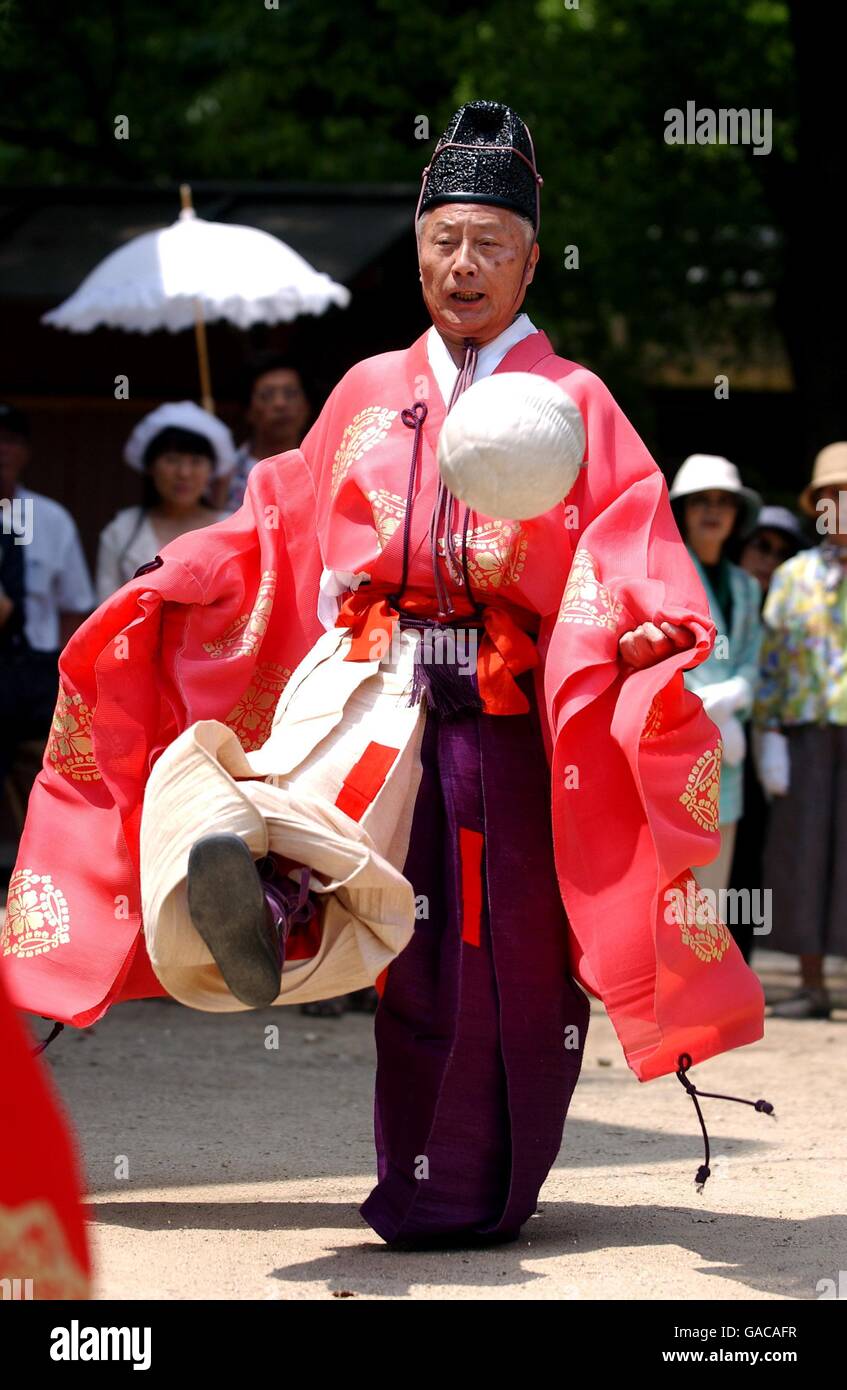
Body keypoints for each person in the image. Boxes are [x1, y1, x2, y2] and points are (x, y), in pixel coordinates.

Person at [2, 102, 764, 1247]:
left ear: (529, 257)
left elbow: (631, 545)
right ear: (417, 245)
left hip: (500, 717)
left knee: (492, 958)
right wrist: (187, 565)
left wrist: (650, 629)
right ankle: (263, 906)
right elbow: (285, 524)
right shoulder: (364, 390)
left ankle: (470, 1186)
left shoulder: (579, 404)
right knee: (325, 865)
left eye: (489, 244)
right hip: (372, 678)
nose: (463, 265)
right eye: (443, 239)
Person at [754, 442, 847, 1019]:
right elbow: (770, 659)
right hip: (806, 732)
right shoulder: (792, 577)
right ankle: (811, 982)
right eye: (832, 497)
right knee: (804, 851)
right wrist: (766, 735)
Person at [669, 455, 763, 896]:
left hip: (729, 757)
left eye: (723, 502)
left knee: (714, 896)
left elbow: (751, 657)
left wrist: (736, 695)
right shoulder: (664, 571)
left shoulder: (745, 584)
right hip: (676, 745)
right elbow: (657, 658)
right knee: (672, 887)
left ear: (737, 514)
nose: (712, 511)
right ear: (683, 511)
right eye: (701, 501)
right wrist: (704, 705)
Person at [0, 403, 95, 791]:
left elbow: (74, 608)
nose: (1, 449)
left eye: (10, 441)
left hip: (36, 674)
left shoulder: (51, 518)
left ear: (25, 451)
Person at [729, 504, 808, 957]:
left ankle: (742, 961)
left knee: (757, 852)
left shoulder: (794, 614)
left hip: (774, 749)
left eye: (782, 552)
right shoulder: (717, 596)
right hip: (716, 744)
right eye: (761, 546)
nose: (769, 560)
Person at [96, 402, 234, 603]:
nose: (184, 473)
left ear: (211, 470)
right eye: (172, 460)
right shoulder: (121, 531)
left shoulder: (230, 529)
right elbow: (105, 608)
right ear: (151, 467)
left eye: (196, 462)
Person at [213, 356, 312, 513]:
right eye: (266, 395)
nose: (280, 404)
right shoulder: (225, 475)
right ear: (248, 411)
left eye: (290, 394)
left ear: (307, 407)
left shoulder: (324, 469)